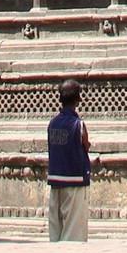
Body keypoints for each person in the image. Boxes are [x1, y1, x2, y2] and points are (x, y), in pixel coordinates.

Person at [46, 78, 91, 242]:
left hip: (55, 179)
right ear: (78, 99)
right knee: (73, 230)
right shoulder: (78, 125)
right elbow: (86, 145)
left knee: (55, 227)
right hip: (75, 180)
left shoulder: (52, 123)